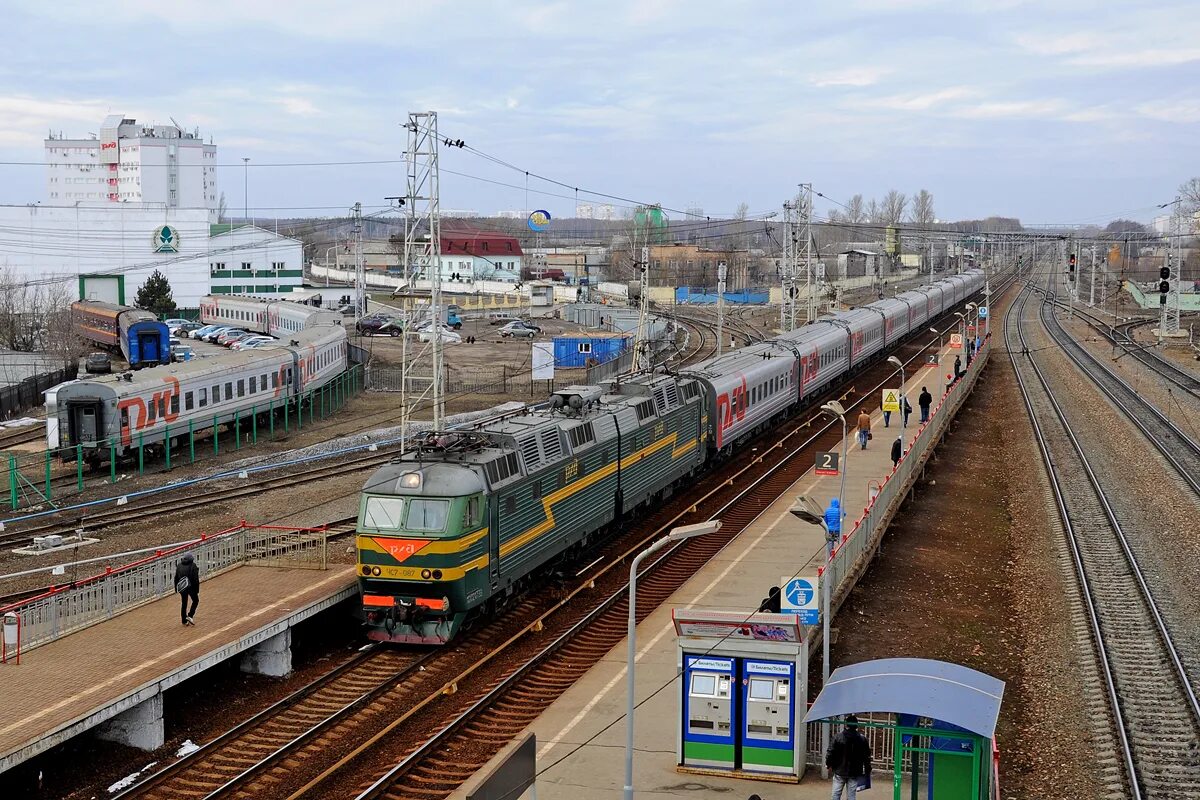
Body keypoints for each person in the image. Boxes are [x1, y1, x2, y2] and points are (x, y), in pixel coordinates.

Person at [827, 713, 872, 799]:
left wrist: (829, 764)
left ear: (846, 725)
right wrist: (867, 770)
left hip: (839, 770)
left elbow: (830, 752)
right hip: (855, 772)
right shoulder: (862, 739)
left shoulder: (837, 737)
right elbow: (866, 757)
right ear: (856, 726)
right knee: (851, 796)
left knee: (836, 794)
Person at [174, 552, 200, 626]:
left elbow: (176, 577)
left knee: (184, 603)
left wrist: (176, 588)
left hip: (182, 587)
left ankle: (184, 621)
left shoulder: (179, 565)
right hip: (191, 587)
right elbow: (195, 579)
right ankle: (190, 615)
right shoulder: (193, 566)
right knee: (196, 600)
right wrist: (197, 590)